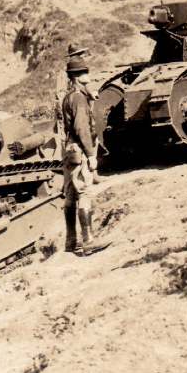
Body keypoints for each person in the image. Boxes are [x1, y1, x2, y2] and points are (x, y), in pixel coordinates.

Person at [61, 56, 106, 256]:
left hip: (69, 149)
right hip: (80, 148)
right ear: (78, 77)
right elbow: (81, 128)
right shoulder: (78, 98)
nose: (89, 76)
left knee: (70, 195)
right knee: (84, 193)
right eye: (85, 73)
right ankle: (88, 241)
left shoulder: (69, 96)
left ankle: (70, 241)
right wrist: (91, 154)